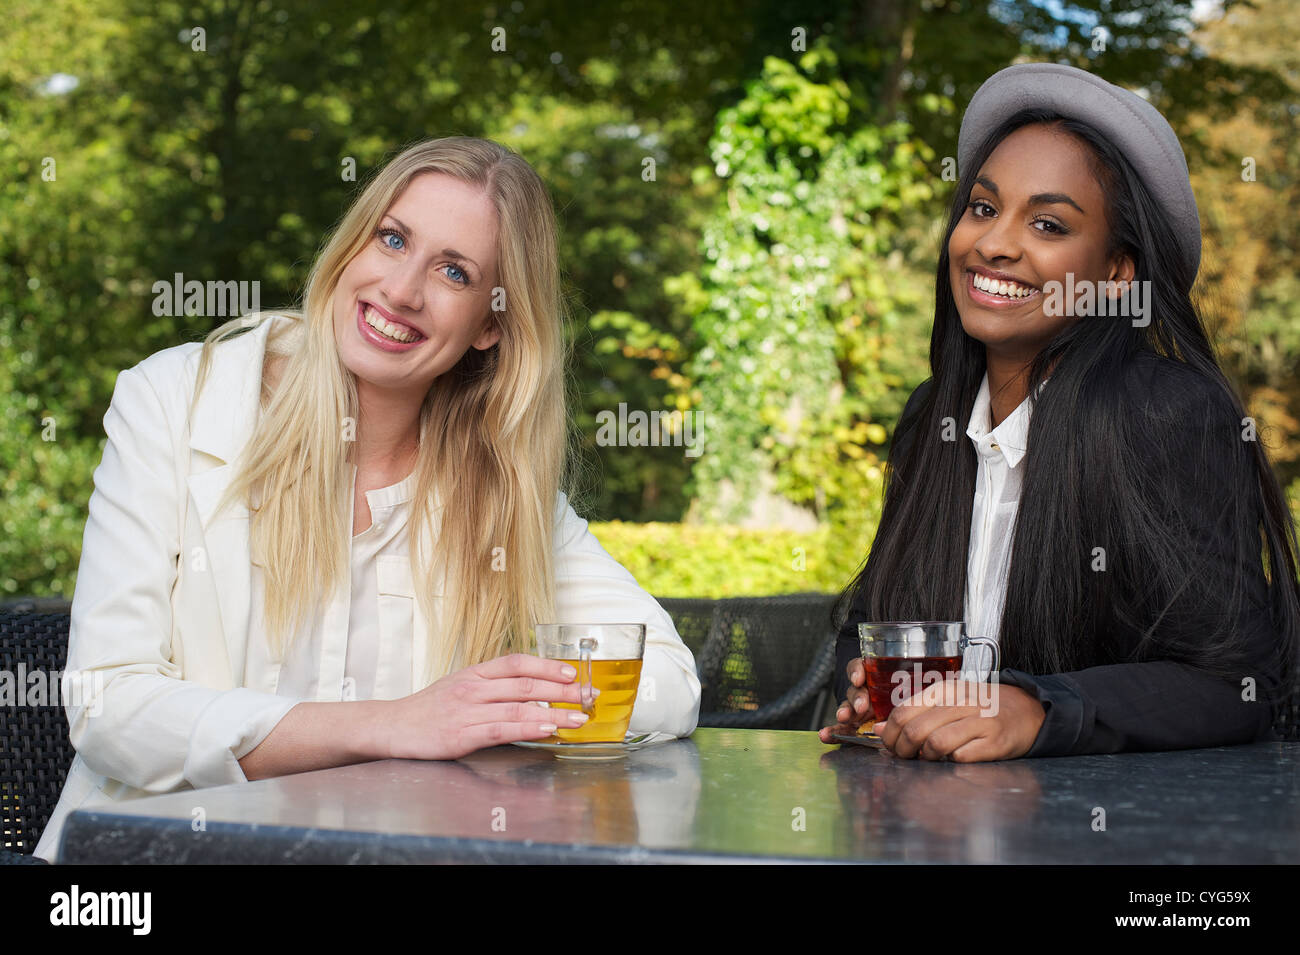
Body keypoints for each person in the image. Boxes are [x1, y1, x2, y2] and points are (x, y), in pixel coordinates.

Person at [35, 136, 701, 862]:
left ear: (490, 325)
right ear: (353, 245)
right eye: (392, 239)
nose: (402, 289)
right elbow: (110, 706)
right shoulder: (171, 400)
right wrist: (394, 723)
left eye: (454, 270)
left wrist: (489, 712)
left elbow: (666, 679)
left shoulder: (500, 487)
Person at [819, 63, 1300, 761]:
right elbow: (870, 623)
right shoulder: (933, 418)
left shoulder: (1168, 414)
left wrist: (1041, 710)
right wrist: (868, 688)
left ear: (1116, 272)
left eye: (1047, 223)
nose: (993, 243)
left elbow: (1239, 683)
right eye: (982, 208)